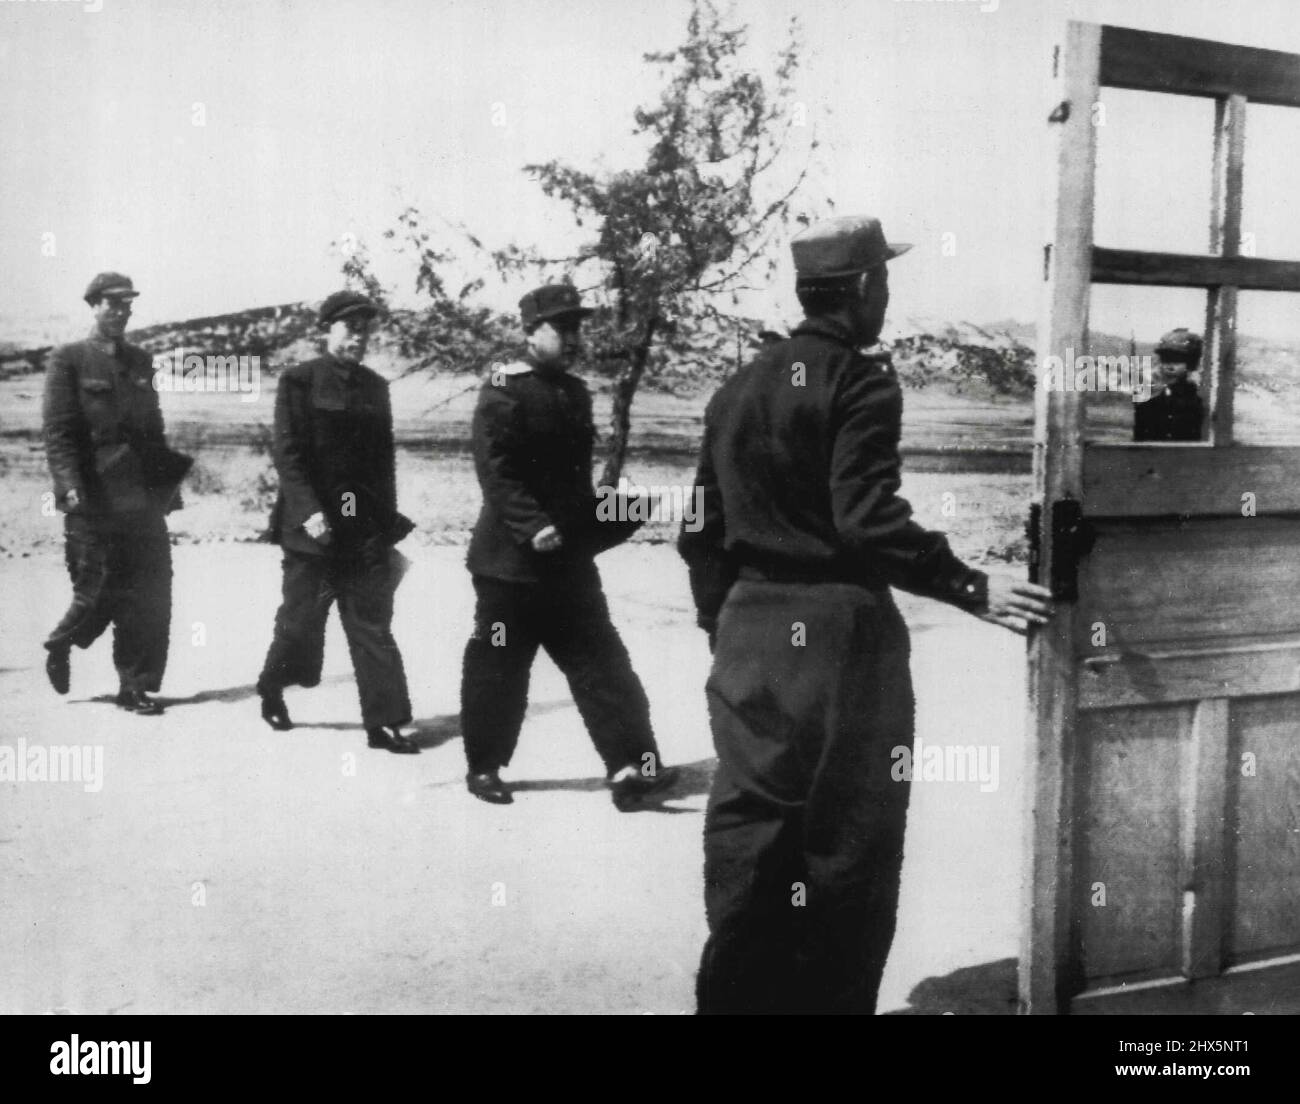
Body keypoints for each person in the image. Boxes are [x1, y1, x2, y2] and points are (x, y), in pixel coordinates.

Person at [678, 215, 1055, 1014]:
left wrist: (730, 628)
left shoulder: (735, 387)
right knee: (850, 853)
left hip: (749, 641)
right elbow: (866, 521)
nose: (887, 294)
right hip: (843, 645)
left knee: (750, 846)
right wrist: (967, 586)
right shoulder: (861, 380)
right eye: (883, 280)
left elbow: (699, 530)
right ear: (860, 289)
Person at [460, 283, 678, 808]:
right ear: (529, 333)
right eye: (564, 327)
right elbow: (497, 470)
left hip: (567, 564)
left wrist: (623, 510)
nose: (575, 337)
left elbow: (573, 488)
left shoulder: (575, 392)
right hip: (510, 564)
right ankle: (485, 768)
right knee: (499, 669)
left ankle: (631, 769)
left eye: (578, 327)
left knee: (604, 665)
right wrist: (532, 524)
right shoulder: (504, 388)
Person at [256, 291, 418, 754]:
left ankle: (384, 723)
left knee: (370, 623)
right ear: (327, 331)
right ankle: (271, 687)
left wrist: (387, 528)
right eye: (349, 327)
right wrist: (309, 513)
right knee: (299, 622)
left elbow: (382, 464)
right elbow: (288, 454)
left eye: (365, 328)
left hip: (362, 525)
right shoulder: (299, 382)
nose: (358, 336)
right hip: (312, 527)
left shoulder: (375, 387)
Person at [42, 272, 192, 715]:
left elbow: (154, 429)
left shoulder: (141, 361)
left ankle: (136, 685)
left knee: (152, 590)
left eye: (127, 304)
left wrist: (168, 489)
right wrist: (70, 490)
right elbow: (59, 434)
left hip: (143, 496)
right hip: (95, 497)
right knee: (99, 588)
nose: (121, 311)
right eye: (111, 303)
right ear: (93, 305)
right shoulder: (68, 359)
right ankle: (60, 642)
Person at [1133, 328, 1205, 441]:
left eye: (1177, 360)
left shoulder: (1200, 400)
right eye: (1165, 359)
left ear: (1191, 364)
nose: (1169, 366)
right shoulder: (1150, 399)